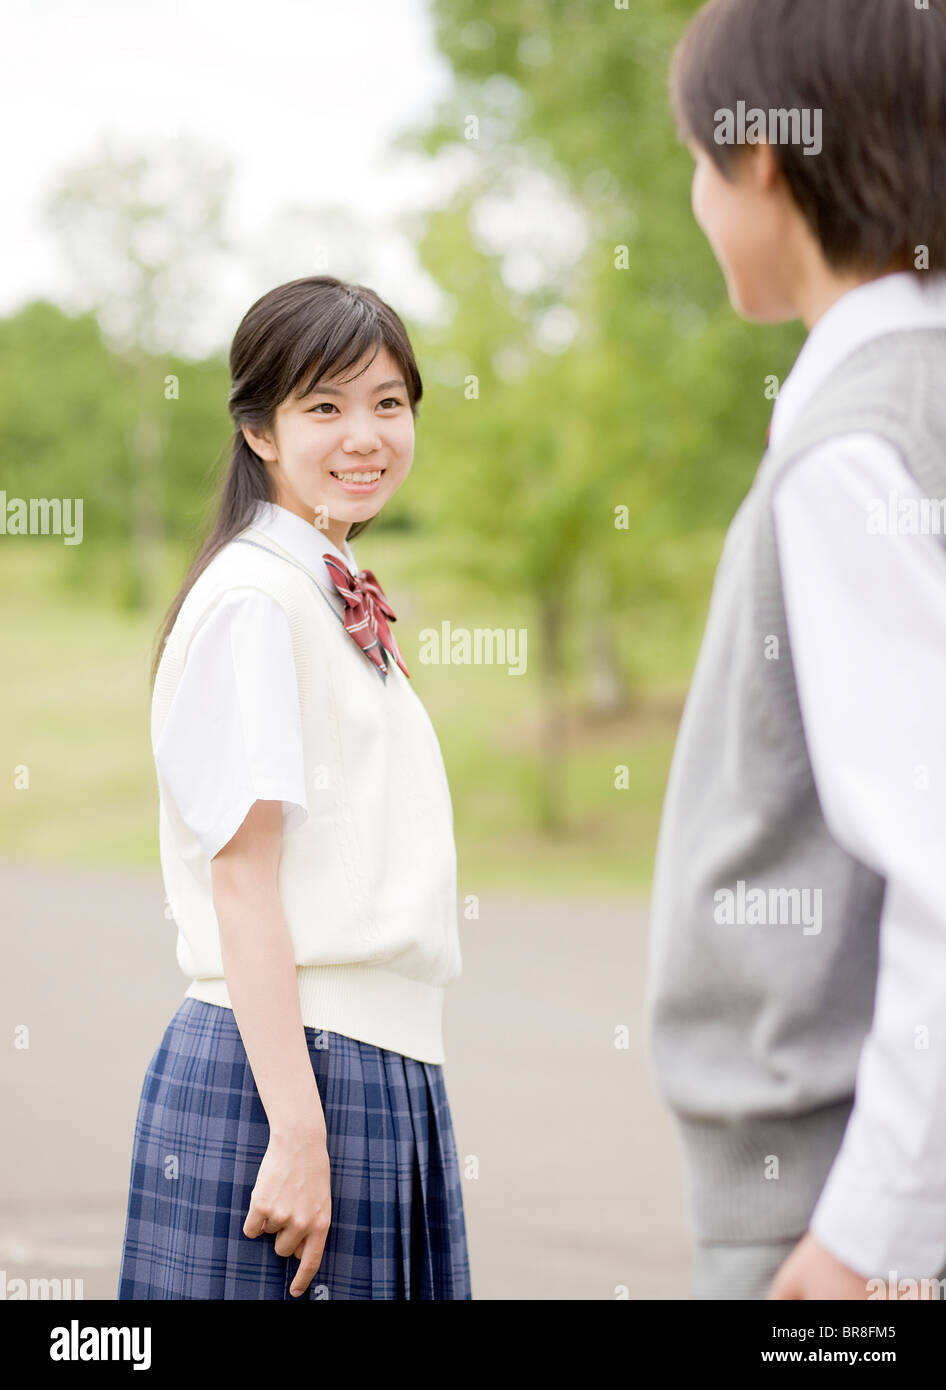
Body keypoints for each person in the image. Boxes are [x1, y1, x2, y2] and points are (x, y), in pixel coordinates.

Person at [645, 0, 946, 1299]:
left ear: (760, 160)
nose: (698, 201)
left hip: (829, 1198)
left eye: (698, 163)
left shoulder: (851, 451)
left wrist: (859, 1239)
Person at [117, 275, 471, 1300]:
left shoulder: (319, 590)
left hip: (372, 1064)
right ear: (260, 430)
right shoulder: (254, 600)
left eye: (389, 403)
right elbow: (243, 879)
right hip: (288, 1075)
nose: (364, 434)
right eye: (325, 406)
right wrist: (300, 1130)